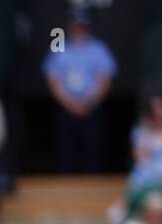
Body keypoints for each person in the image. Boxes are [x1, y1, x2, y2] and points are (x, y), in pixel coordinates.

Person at [42, 8, 116, 173]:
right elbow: (52, 79)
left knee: (94, 149)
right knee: (66, 150)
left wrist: (89, 102)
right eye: (75, 26)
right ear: (69, 27)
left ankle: (94, 186)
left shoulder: (98, 48)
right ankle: (65, 189)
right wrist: (70, 103)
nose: (79, 30)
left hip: (91, 107)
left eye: (82, 26)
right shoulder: (59, 45)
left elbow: (105, 79)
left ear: (88, 27)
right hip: (66, 107)